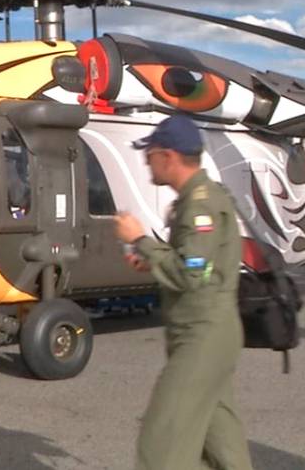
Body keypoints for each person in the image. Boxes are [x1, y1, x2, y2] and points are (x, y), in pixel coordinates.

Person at [113, 115, 253, 470]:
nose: (147, 163)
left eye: (150, 155)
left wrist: (140, 240)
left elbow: (193, 274)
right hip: (206, 333)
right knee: (222, 444)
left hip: (202, 336)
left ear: (168, 156)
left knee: (163, 442)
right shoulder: (198, 198)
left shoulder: (200, 204)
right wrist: (154, 261)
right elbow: (196, 263)